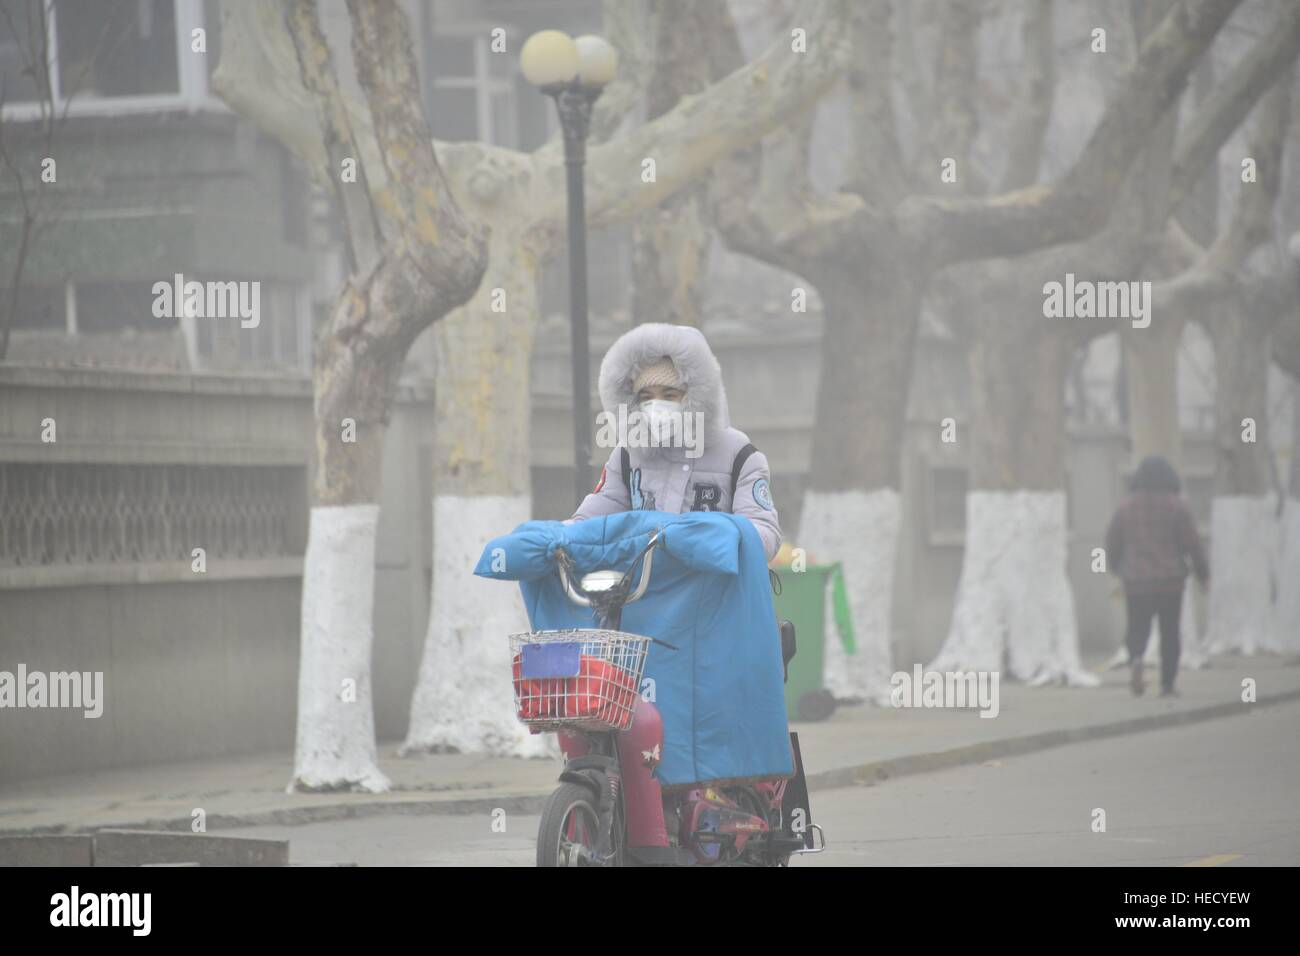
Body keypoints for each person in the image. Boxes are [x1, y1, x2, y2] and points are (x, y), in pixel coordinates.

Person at [572, 323, 782, 562]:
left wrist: (719, 538)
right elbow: (600, 510)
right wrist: (564, 534)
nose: (656, 405)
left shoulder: (739, 454)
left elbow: (765, 533)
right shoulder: (627, 454)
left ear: (696, 395)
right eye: (646, 397)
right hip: (645, 592)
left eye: (669, 395)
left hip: (714, 592)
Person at [1104, 455, 1209, 697]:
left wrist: (1117, 567)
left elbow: (1112, 540)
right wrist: (1203, 574)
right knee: (1170, 633)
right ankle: (1167, 684)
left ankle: (1137, 659)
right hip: (1170, 582)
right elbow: (1193, 543)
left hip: (1136, 582)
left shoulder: (1125, 507)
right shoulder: (1177, 506)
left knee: (1136, 628)